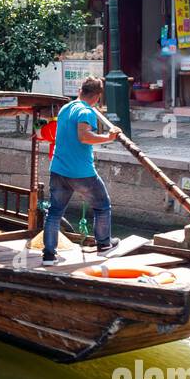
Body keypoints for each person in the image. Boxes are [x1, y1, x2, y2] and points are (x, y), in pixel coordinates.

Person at [42, 76, 120, 265]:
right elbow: (84, 137)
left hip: (59, 169)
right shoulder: (86, 112)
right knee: (102, 206)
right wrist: (108, 138)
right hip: (81, 172)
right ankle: (103, 243)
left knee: (54, 212)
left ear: (80, 91)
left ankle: (49, 255)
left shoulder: (66, 108)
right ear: (97, 96)